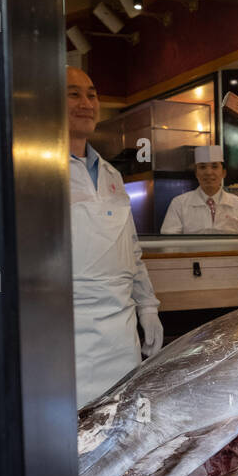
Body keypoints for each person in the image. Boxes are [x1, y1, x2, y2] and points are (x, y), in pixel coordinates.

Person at [67, 67, 163, 405]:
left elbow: (131, 251)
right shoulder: (35, 173)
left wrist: (148, 306)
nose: (86, 102)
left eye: (91, 94)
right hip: (66, 336)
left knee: (121, 425)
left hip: (122, 337)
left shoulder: (111, 174)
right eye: (73, 93)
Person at [160, 146, 238, 235]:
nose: (208, 172)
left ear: (223, 173)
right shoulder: (179, 204)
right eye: (202, 167)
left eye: (214, 167)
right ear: (196, 173)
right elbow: (169, 243)